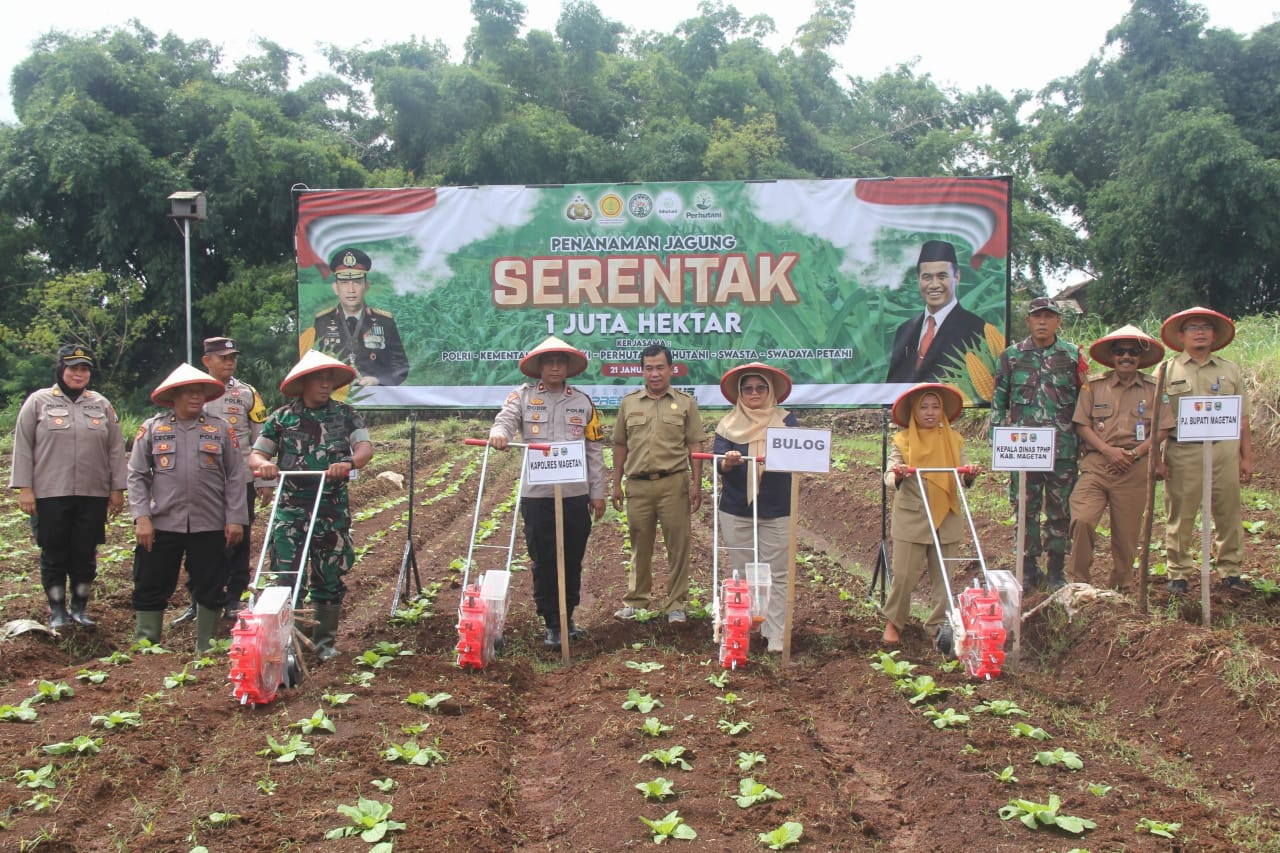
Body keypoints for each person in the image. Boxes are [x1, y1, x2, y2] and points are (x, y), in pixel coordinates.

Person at [248, 350, 373, 662]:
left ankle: (324, 644)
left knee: (329, 575)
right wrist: (264, 465)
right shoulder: (281, 418)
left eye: (329, 379)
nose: (325, 384)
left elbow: (365, 449)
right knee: (286, 576)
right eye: (319, 379)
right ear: (303, 383)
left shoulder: (346, 415)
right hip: (291, 508)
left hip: (331, 508)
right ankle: (287, 643)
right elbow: (257, 454)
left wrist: (348, 463)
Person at [488, 335, 606, 648]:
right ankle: (552, 622)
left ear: (568, 367)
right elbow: (505, 421)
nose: (555, 367)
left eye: (560, 362)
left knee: (572, 558)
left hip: (574, 495)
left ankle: (568, 617)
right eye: (549, 362)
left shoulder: (582, 402)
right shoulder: (523, 396)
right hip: (538, 495)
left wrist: (598, 492)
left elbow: (594, 449)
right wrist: (499, 434)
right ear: (540, 367)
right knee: (544, 559)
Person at [128, 365, 247, 653]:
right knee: (151, 581)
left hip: (209, 523)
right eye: (188, 392)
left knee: (211, 584)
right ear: (173, 396)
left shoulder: (221, 428)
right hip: (163, 522)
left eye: (200, 392)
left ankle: (206, 646)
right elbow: (137, 474)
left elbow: (235, 475)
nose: (195, 397)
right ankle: (147, 645)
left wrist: (235, 518)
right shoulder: (153, 428)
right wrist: (141, 517)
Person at [10, 345, 127, 629]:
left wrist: (117, 489)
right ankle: (57, 611)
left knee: (85, 554)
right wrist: (25, 488)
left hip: (92, 493)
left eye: (84, 369)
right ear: (61, 370)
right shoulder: (38, 401)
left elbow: (115, 448)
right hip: (50, 493)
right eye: (73, 368)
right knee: (54, 554)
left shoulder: (101, 404)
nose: (79, 374)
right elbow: (23, 445)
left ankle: (79, 608)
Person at [171, 336, 272, 626]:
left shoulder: (247, 393)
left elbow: (261, 437)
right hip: (202, 482)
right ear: (207, 361)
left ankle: (233, 599)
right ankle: (198, 600)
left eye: (233, 358)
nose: (230, 363)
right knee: (199, 542)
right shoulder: (191, 390)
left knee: (239, 539)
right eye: (223, 358)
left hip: (240, 479)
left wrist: (264, 481)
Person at [991, 297, 1088, 590]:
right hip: (1023, 450)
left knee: (1061, 510)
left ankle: (1056, 569)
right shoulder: (1011, 357)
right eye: (1037, 316)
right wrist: (998, 442)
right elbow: (999, 403)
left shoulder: (1072, 356)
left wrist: (1085, 440)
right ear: (1029, 321)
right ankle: (1028, 568)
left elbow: (1086, 401)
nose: (1042, 322)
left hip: (1063, 448)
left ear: (1058, 321)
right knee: (1025, 508)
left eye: (1048, 316)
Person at [1155, 307, 1253, 595]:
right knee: (1180, 513)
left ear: (1214, 335)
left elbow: (1243, 418)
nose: (1200, 332)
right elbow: (1156, 419)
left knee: (1228, 511)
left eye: (1206, 327)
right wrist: (1157, 459)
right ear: (1181, 336)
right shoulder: (1166, 370)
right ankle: (1178, 573)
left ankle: (1231, 571)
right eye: (1193, 327)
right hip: (1183, 451)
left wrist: (1247, 457)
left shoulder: (1229, 370)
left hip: (1224, 450)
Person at [1069, 325, 1173, 591]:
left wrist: (1135, 454)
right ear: (1112, 356)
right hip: (1097, 465)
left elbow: (1163, 428)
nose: (1126, 357)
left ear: (1140, 357)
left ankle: (1122, 585)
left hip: (1134, 468)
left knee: (1127, 535)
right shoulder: (1093, 386)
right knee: (1082, 519)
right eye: (1120, 352)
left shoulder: (1155, 388)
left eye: (1133, 352)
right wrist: (1108, 451)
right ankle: (1079, 583)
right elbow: (1082, 425)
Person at [612, 344, 707, 623]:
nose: (655, 374)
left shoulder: (686, 403)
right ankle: (636, 601)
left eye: (660, 368)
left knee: (678, 545)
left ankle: (675, 604)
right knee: (639, 544)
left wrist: (697, 484)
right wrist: (615, 483)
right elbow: (620, 445)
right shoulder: (629, 403)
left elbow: (695, 444)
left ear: (671, 369)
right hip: (638, 485)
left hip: (673, 483)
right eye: (649, 368)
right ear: (642, 371)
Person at [881, 383, 980, 645]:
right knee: (904, 575)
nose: (930, 412)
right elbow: (889, 475)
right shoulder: (902, 441)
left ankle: (937, 626)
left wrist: (970, 474)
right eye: (923, 407)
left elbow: (964, 473)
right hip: (912, 516)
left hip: (946, 514)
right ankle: (894, 622)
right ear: (914, 411)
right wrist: (899, 475)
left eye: (936, 407)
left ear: (943, 411)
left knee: (944, 577)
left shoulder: (954, 440)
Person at [711, 362, 798, 653]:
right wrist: (728, 462)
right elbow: (718, 463)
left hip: (778, 508)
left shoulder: (787, 422)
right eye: (747, 389)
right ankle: (744, 628)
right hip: (737, 509)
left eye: (761, 387)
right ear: (740, 394)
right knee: (743, 572)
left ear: (770, 391)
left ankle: (776, 635)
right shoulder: (727, 425)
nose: (754, 393)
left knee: (778, 573)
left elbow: (799, 457)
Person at [887, 240, 988, 383]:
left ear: (957, 277)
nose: (934, 285)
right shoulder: (904, 330)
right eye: (927, 277)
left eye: (942, 276)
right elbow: (892, 385)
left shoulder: (977, 329)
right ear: (919, 280)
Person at [309, 247, 409, 387]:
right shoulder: (322, 322)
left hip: (376, 395)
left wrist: (379, 380)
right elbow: (313, 365)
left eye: (357, 282)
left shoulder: (384, 321)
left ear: (366, 286)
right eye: (344, 283)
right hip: (337, 395)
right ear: (335, 288)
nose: (351, 290)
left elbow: (400, 365)